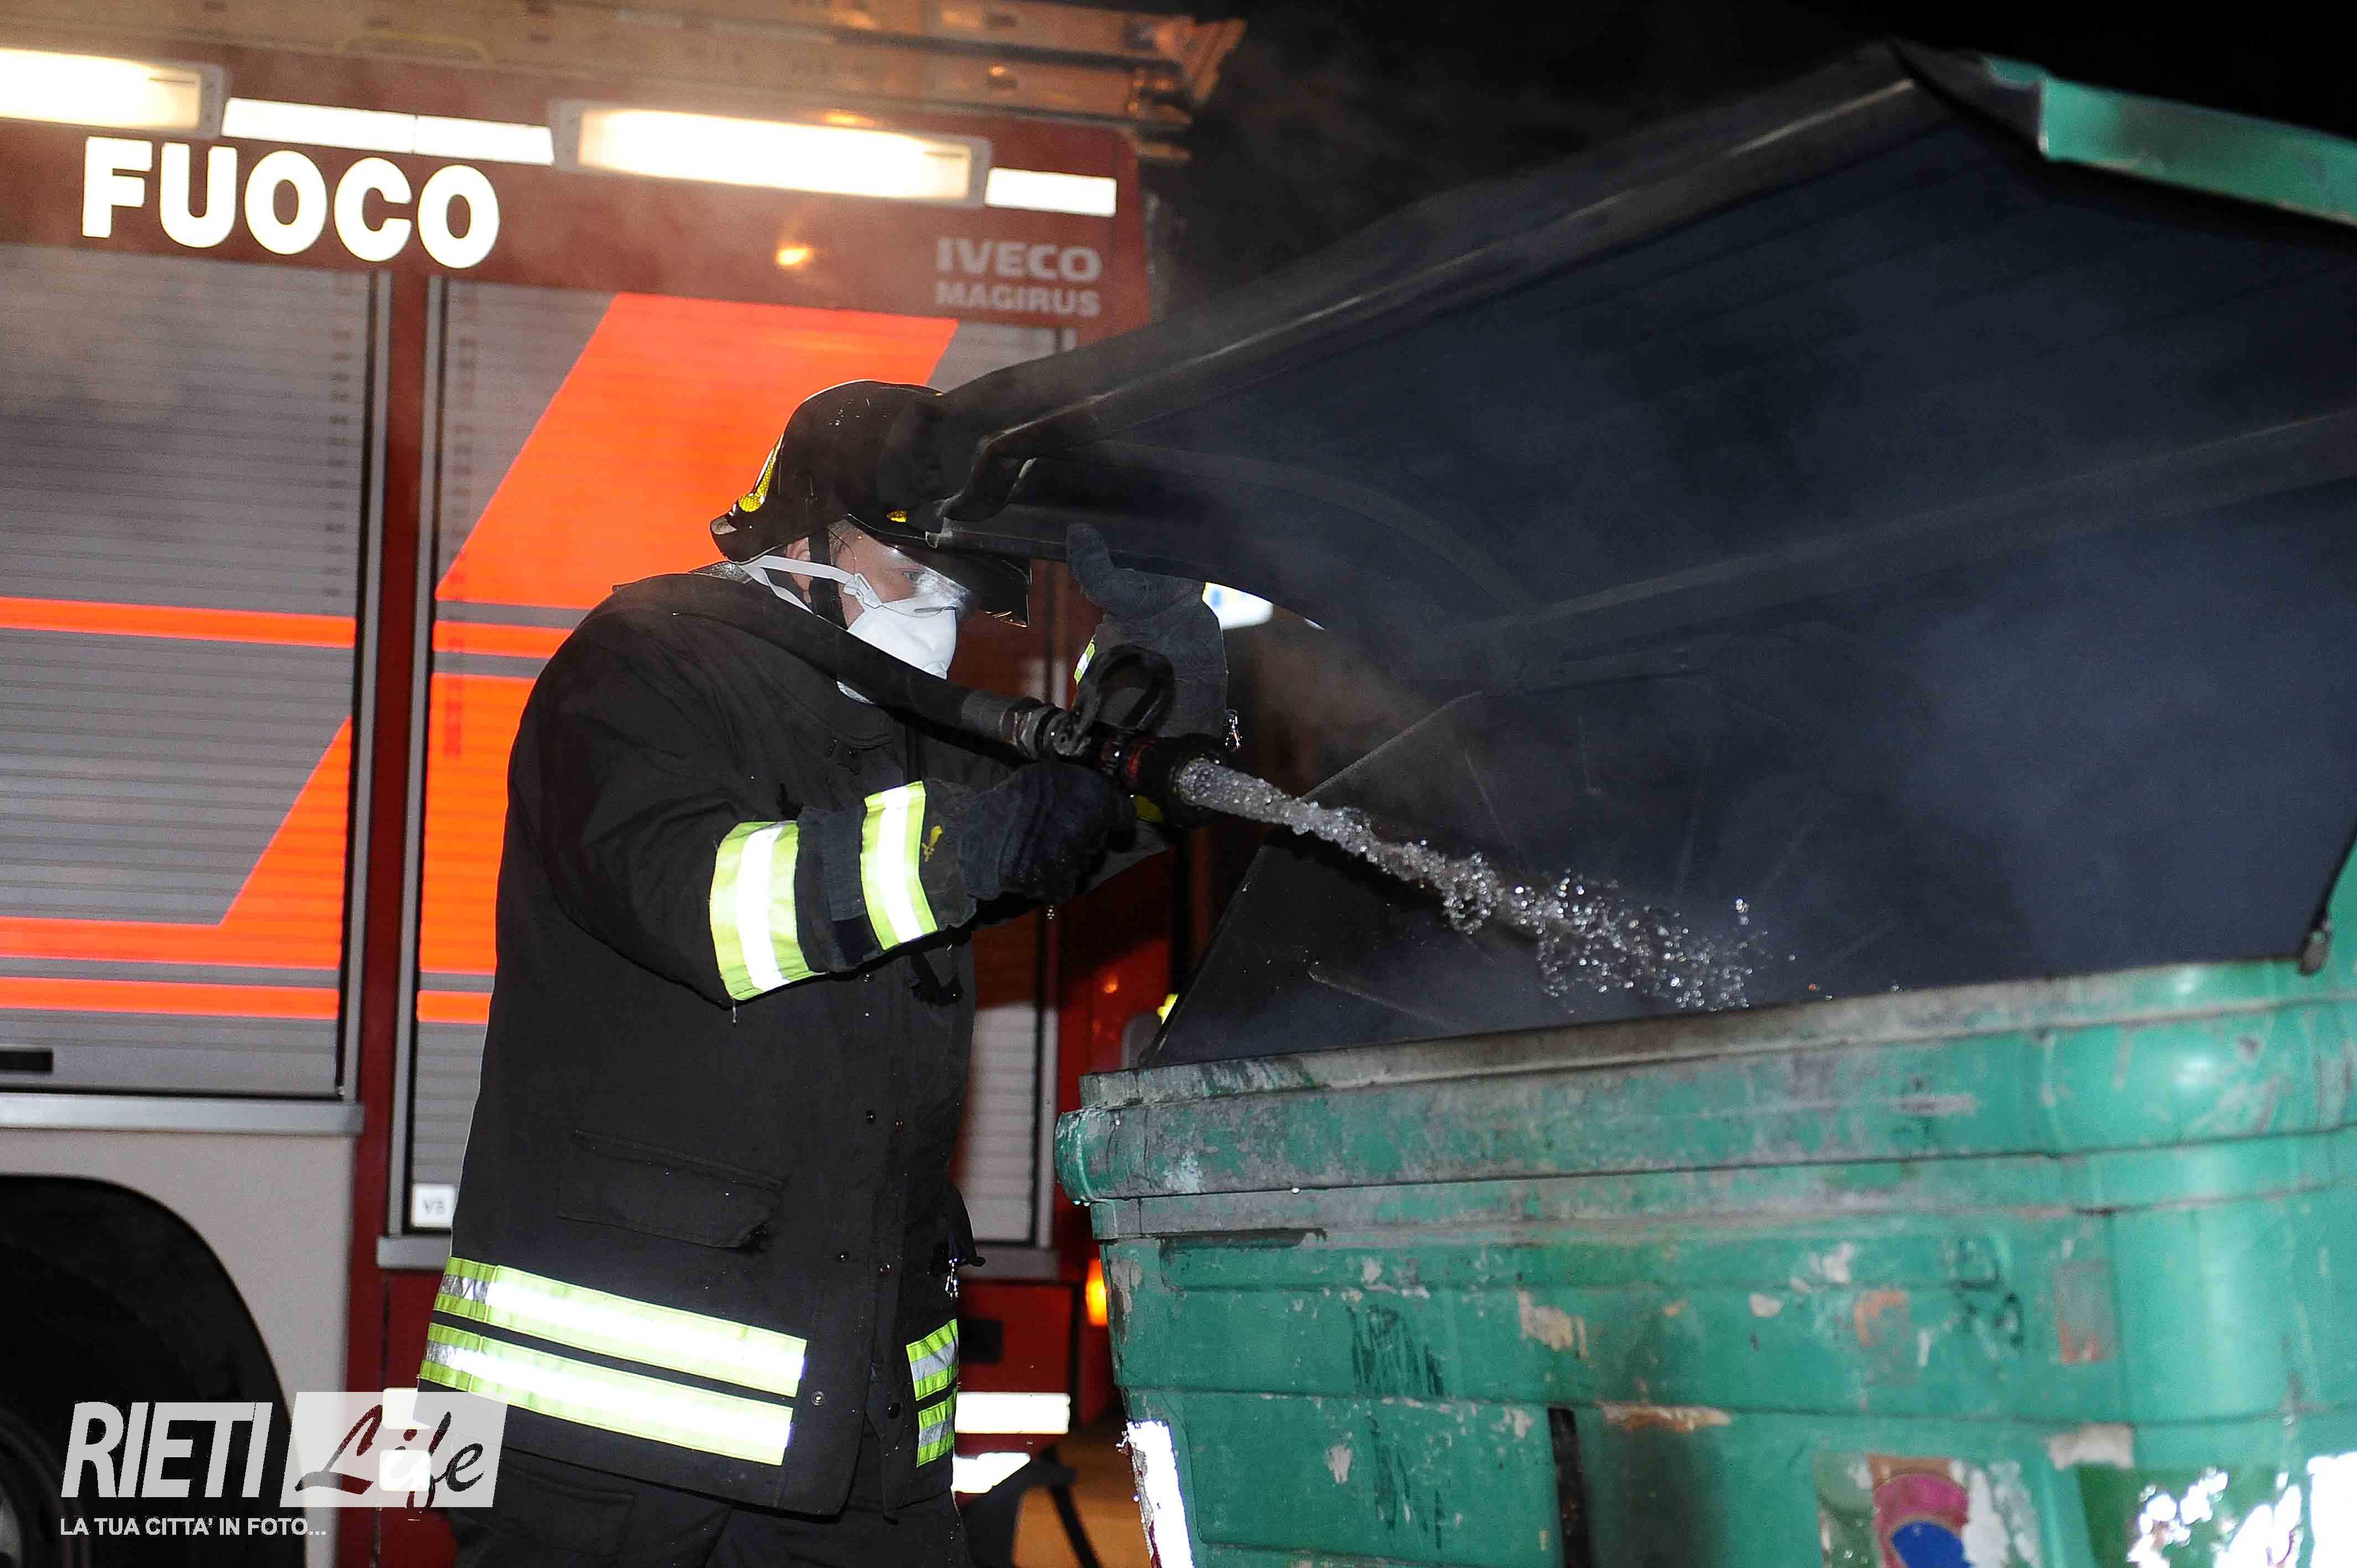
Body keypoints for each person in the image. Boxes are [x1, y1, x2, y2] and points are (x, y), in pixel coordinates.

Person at [424, 382, 1226, 1565]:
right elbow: (699, 901)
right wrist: (978, 840)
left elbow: (1126, 807)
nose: (942, 613)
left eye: (964, 592)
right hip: (613, 1451)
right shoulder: (639, 672)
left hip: (857, 1442)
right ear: (804, 540)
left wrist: (1162, 633)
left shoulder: (895, 720)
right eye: (920, 575)